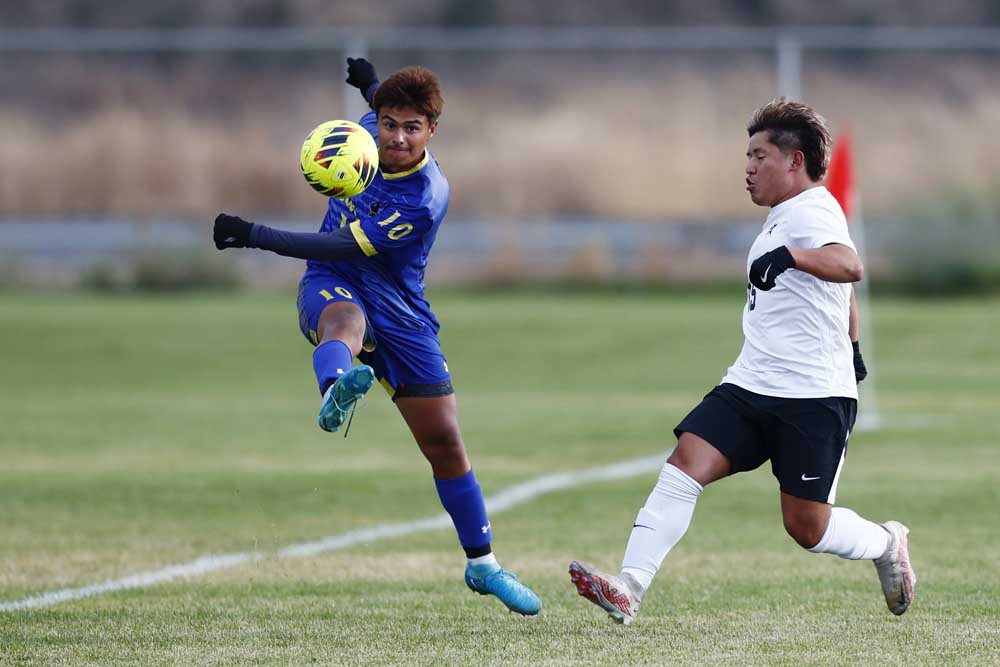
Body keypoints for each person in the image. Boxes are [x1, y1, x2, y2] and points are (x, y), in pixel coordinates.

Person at [212, 58, 541, 616]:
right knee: (345, 324)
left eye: (412, 128)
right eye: (389, 124)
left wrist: (255, 235)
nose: (397, 137)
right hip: (333, 281)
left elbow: (340, 242)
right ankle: (336, 388)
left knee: (445, 441)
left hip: (400, 312)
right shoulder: (362, 137)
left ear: (433, 130)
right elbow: (379, 102)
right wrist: (368, 80)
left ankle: (483, 566)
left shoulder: (424, 197)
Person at [568, 99, 914, 624]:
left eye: (759, 155)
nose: (748, 167)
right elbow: (839, 292)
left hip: (811, 395)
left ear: (794, 161)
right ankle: (629, 587)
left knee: (807, 527)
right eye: (747, 156)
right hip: (751, 383)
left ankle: (887, 543)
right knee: (685, 462)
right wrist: (854, 346)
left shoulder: (813, 209)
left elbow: (849, 266)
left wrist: (793, 258)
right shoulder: (784, 218)